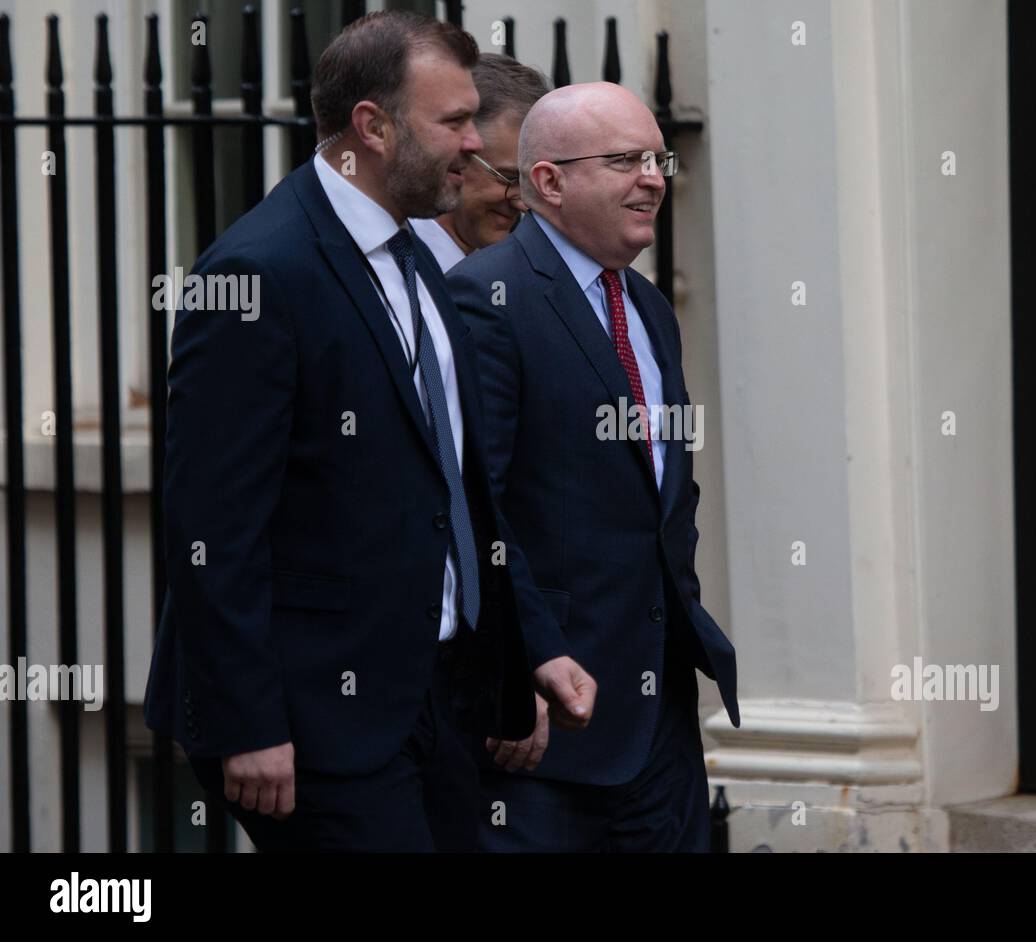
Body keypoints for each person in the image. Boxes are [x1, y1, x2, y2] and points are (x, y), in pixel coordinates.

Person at [143, 10, 595, 852]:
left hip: (436, 701)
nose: (476, 144)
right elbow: (213, 524)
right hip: (316, 721)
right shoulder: (256, 274)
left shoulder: (416, 255)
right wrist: (248, 721)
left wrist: (534, 641)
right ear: (373, 127)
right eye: (455, 121)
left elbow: (460, 487)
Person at [447, 82, 740, 853]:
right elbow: (477, 509)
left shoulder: (645, 308)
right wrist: (523, 666)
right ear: (547, 181)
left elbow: (665, 493)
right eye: (625, 161)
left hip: (660, 726)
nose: (654, 177)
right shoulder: (487, 299)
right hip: (548, 738)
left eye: (657, 158)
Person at [411, 53, 548, 272]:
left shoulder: (513, 276)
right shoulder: (395, 265)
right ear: (457, 153)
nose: (523, 204)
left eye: (532, 185)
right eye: (510, 178)